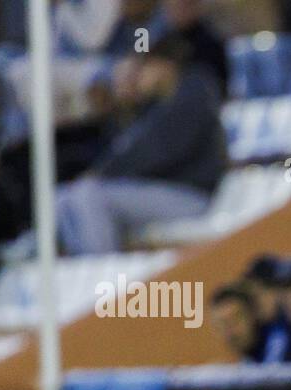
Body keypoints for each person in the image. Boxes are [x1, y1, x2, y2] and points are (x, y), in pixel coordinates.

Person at [53, 34, 224, 254]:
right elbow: (127, 148)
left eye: (143, 68)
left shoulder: (193, 92)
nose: (137, 78)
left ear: (163, 65)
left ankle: (105, 273)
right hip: (161, 192)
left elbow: (157, 152)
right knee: (62, 198)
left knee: (89, 195)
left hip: (192, 195)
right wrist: (125, 106)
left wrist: (101, 174)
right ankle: (78, 270)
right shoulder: (154, 105)